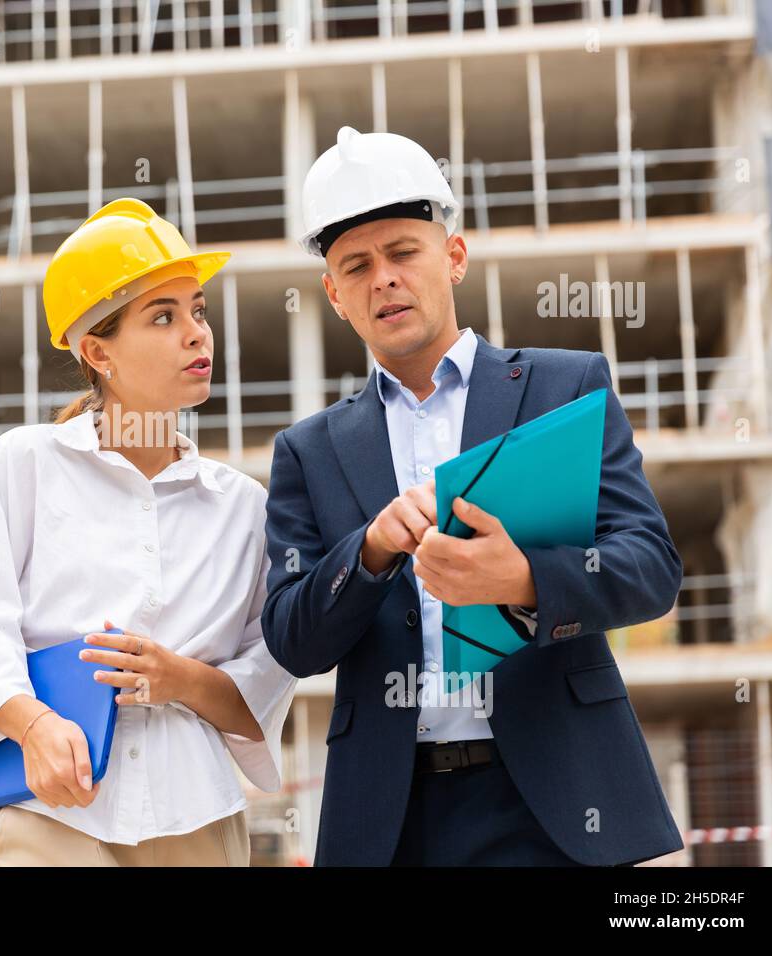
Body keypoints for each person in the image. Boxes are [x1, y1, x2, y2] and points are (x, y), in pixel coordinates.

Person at [261, 127, 685, 866]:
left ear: (452, 257)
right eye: (355, 266)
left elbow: (649, 568)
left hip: (553, 804)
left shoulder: (566, 389)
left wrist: (522, 580)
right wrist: (366, 552)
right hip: (391, 821)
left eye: (403, 253)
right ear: (333, 295)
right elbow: (292, 638)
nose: (383, 279)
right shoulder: (308, 451)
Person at [0, 198, 298, 866]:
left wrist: (178, 678)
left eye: (198, 311)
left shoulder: (241, 508)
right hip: (46, 810)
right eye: (164, 316)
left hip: (194, 818)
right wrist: (33, 726)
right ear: (98, 351)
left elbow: (265, 684)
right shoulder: (24, 466)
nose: (197, 334)